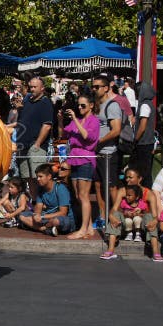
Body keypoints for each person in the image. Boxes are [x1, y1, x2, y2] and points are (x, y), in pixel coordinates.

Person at [8, 76, 53, 200]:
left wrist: (37, 144)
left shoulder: (45, 102)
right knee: (27, 177)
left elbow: (47, 125)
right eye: (30, 87)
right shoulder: (27, 100)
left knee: (39, 178)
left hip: (35, 146)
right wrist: (19, 109)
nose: (32, 89)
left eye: (35, 87)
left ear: (42, 88)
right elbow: (22, 121)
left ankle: (45, 204)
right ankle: (35, 203)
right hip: (22, 145)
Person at [61, 95, 99, 239]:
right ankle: (88, 227)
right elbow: (64, 133)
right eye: (79, 105)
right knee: (78, 195)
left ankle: (83, 229)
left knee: (84, 195)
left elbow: (87, 136)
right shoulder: (78, 120)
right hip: (74, 158)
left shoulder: (93, 121)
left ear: (91, 105)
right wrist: (61, 119)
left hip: (85, 158)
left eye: (83, 105)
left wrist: (76, 120)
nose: (79, 108)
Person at [101, 167, 159, 261]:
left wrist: (147, 217)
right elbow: (114, 209)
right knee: (115, 214)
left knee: (150, 217)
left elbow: (155, 215)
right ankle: (110, 249)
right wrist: (111, 216)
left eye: (130, 177)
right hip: (126, 223)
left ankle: (156, 251)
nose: (127, 180)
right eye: (126, 177)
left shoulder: (149, 193)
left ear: (139, 179)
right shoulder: (123, 190)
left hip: (142, 225)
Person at [92, 75, 122, 226]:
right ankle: (102, 216)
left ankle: (115, 216)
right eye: (93, 87)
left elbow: (116, 130)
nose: (94, 89)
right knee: (97, 185)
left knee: (111, 186)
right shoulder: (97, 105)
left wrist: (99, 142)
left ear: (106, 88)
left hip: (108, 152)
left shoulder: (113, 106)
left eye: (97, 87)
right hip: (96, 153)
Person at [18, 164, 75, 236]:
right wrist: (36, 215)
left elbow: (63, 213)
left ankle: (43, 227)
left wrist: (42, 217)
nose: (37, 179)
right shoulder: (41, 189)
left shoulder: (60, 188)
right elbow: (38, 209)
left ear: (49, 176)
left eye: (40, 176)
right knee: (22, 216)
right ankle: (44, 229)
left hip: (61, 219)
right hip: (47, 217)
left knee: (57, 221)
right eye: (37, 177)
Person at [131, 82, 156, 187]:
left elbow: (142, 126)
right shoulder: (149, 104)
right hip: (148, 142)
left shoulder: (145, 105)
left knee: (143, 172)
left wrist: (135, 139)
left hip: (143, 143)